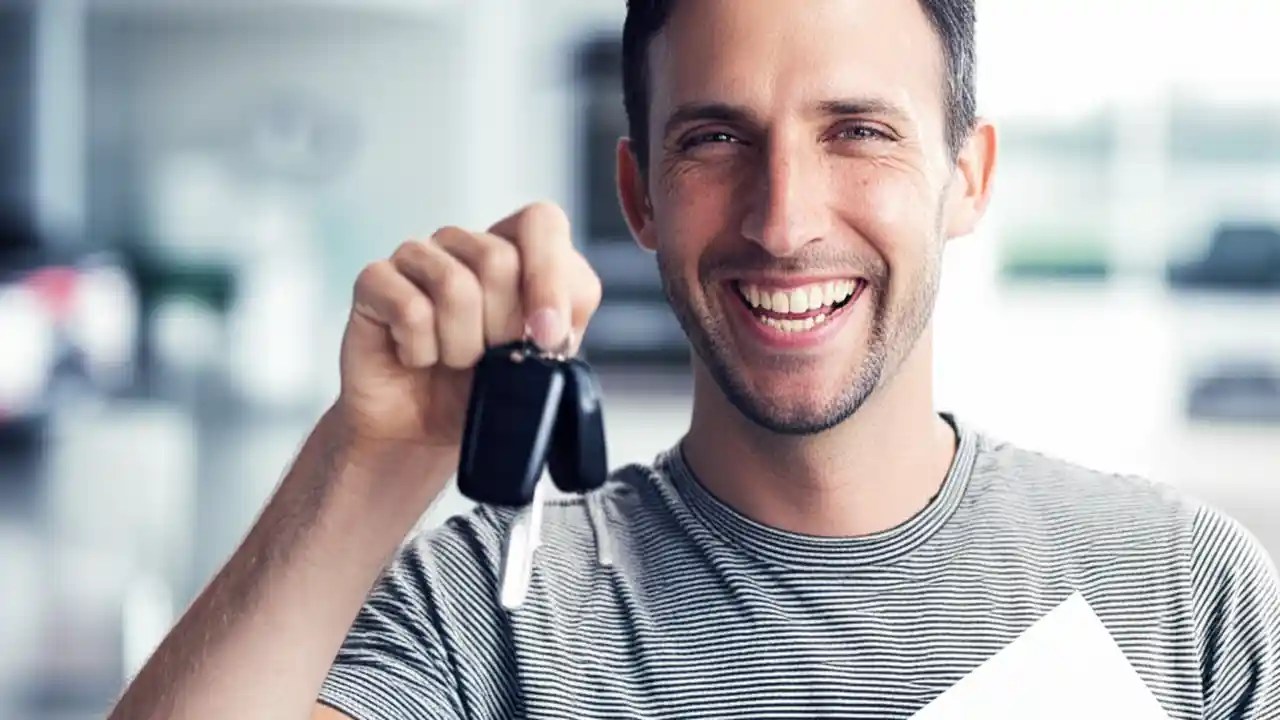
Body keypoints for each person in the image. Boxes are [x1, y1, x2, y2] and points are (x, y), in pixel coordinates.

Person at [109, 1, 1280, 718]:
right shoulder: (488, 616)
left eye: (856, 132)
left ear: (964, 178)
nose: (782, 219)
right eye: (716, 139)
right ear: (640, 195)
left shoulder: (1185, 594)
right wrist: (368, 454)